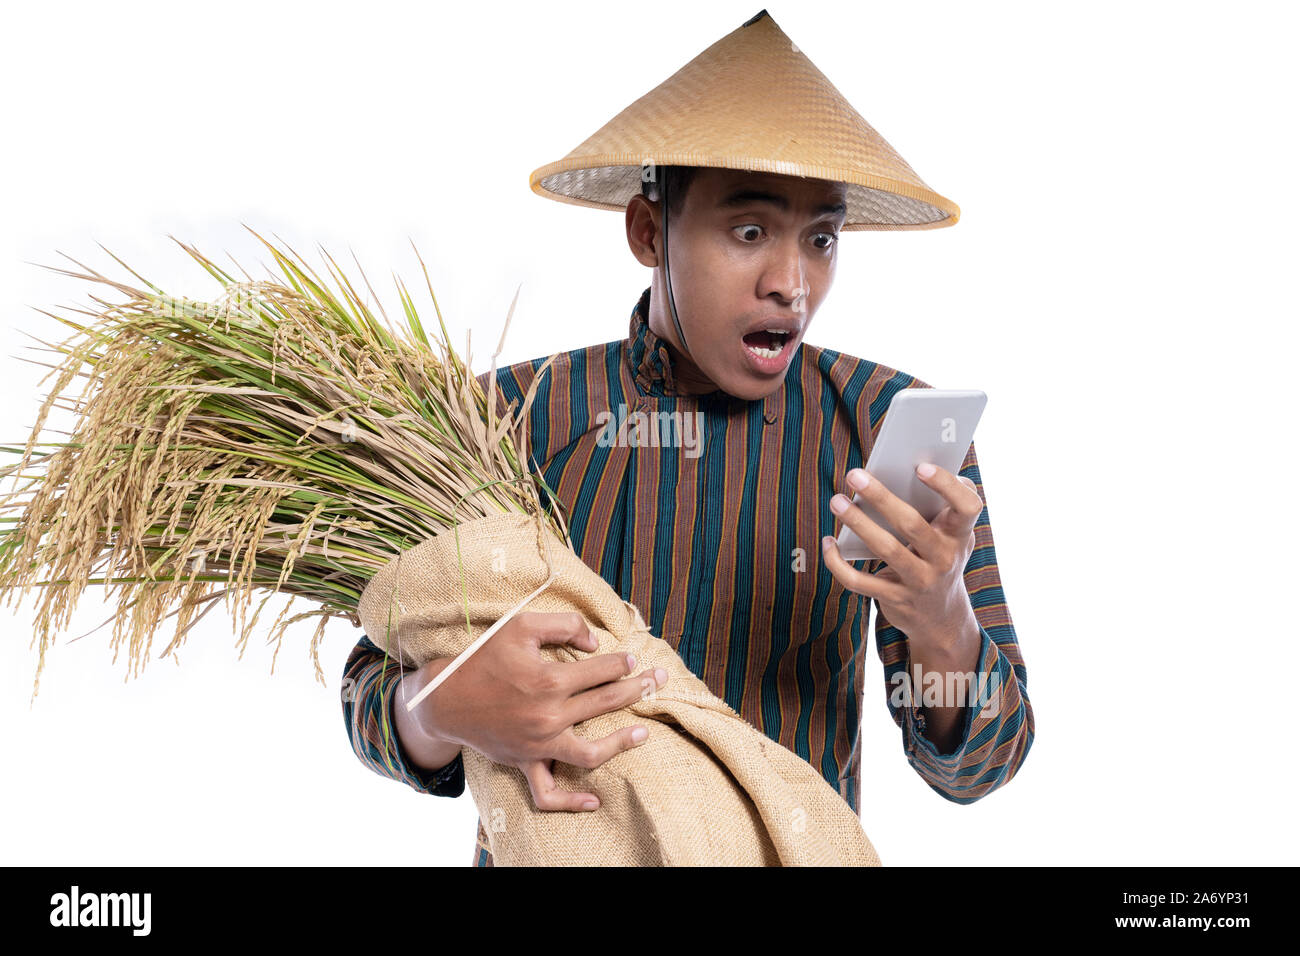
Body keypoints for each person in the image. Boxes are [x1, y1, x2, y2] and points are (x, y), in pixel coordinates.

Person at [341, 9, 1033, 866]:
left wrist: (940, 618)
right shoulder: (507, 421)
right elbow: (369, 691)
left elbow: (979, 767)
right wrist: (438, 707)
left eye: (821, 238)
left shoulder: (884, 426)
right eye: (749, 232)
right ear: (647, 232)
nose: (792, 284)